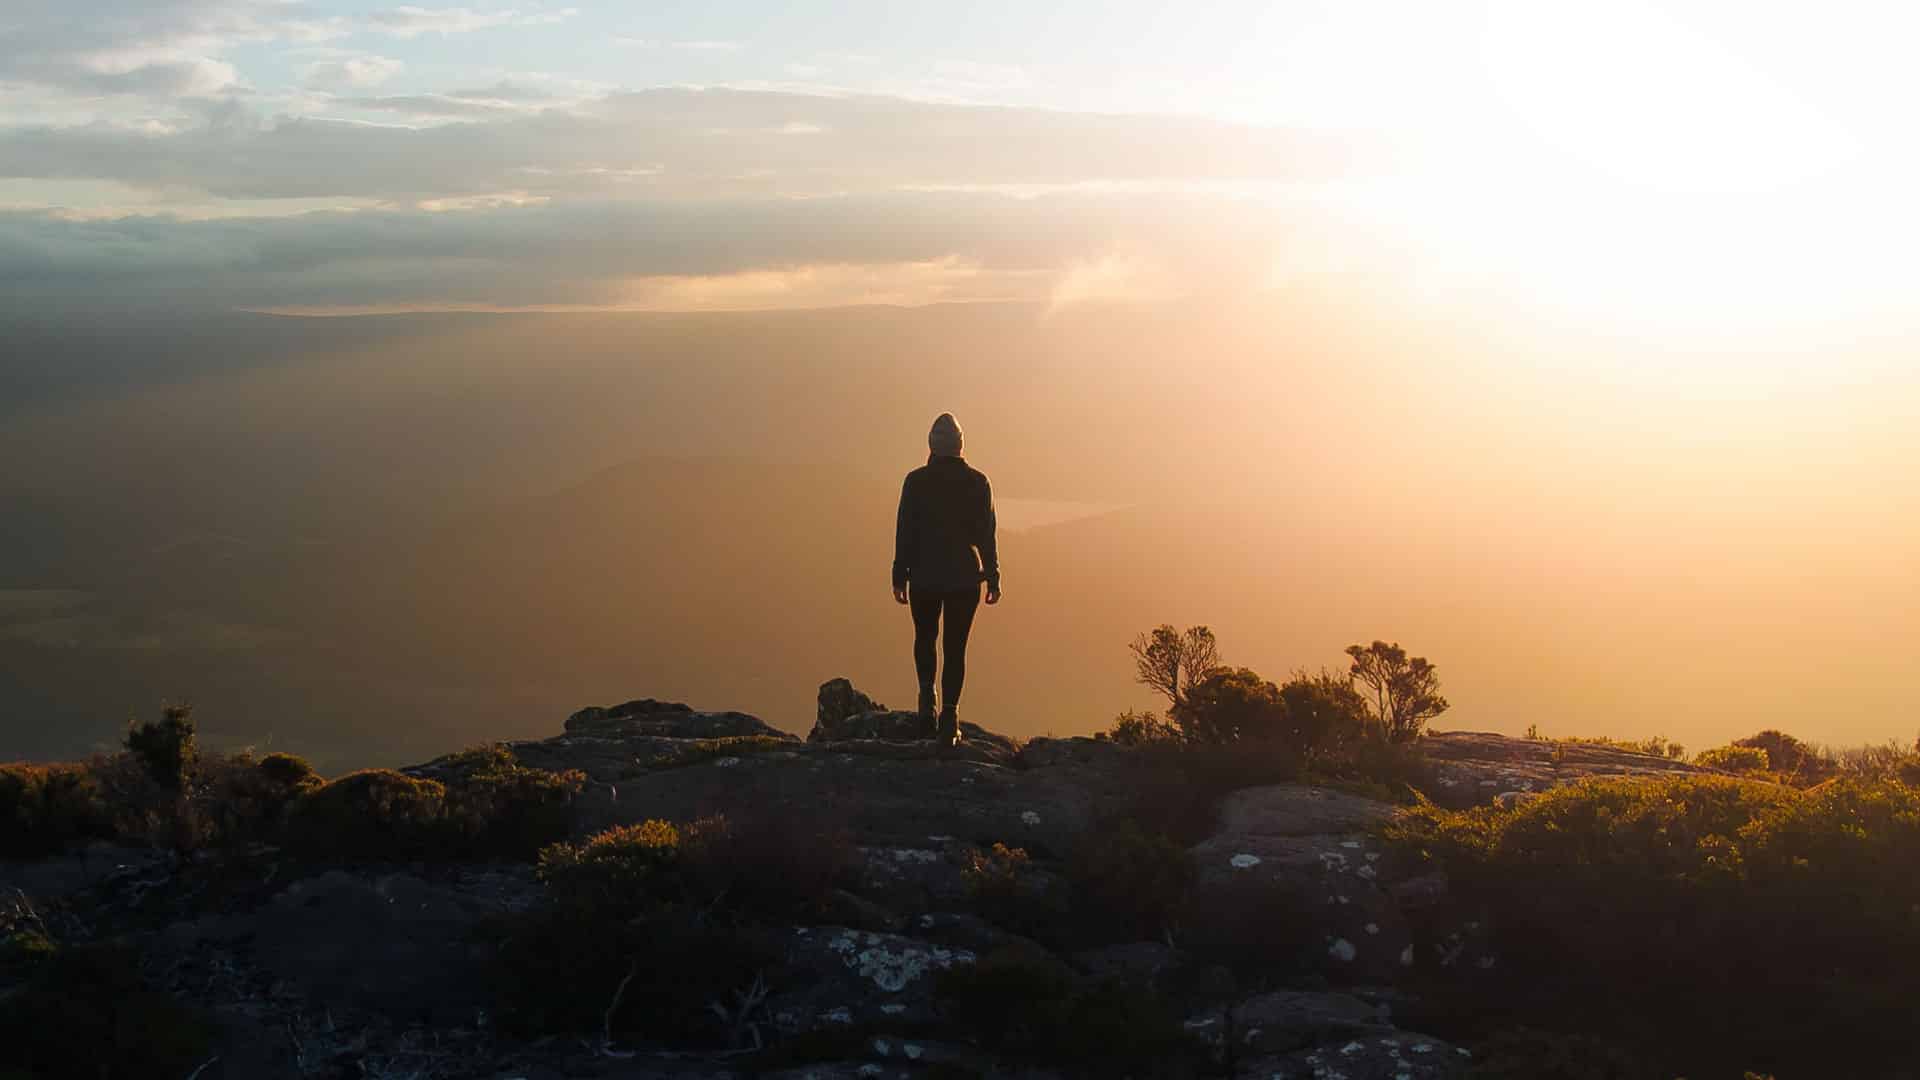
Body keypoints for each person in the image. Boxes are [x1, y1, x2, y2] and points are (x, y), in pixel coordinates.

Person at [892, 412, 1000, 746]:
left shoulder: (915, 482)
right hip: (964, 578)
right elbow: (986, 535)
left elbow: (905, 530)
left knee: (925, 638)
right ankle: (950, 718)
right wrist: (992, 575)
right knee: (955, 648)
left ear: (932, 446)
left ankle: (927, 705)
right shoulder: (978, 482)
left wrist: (899, 574)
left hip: (924, 575)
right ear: (960, 445)